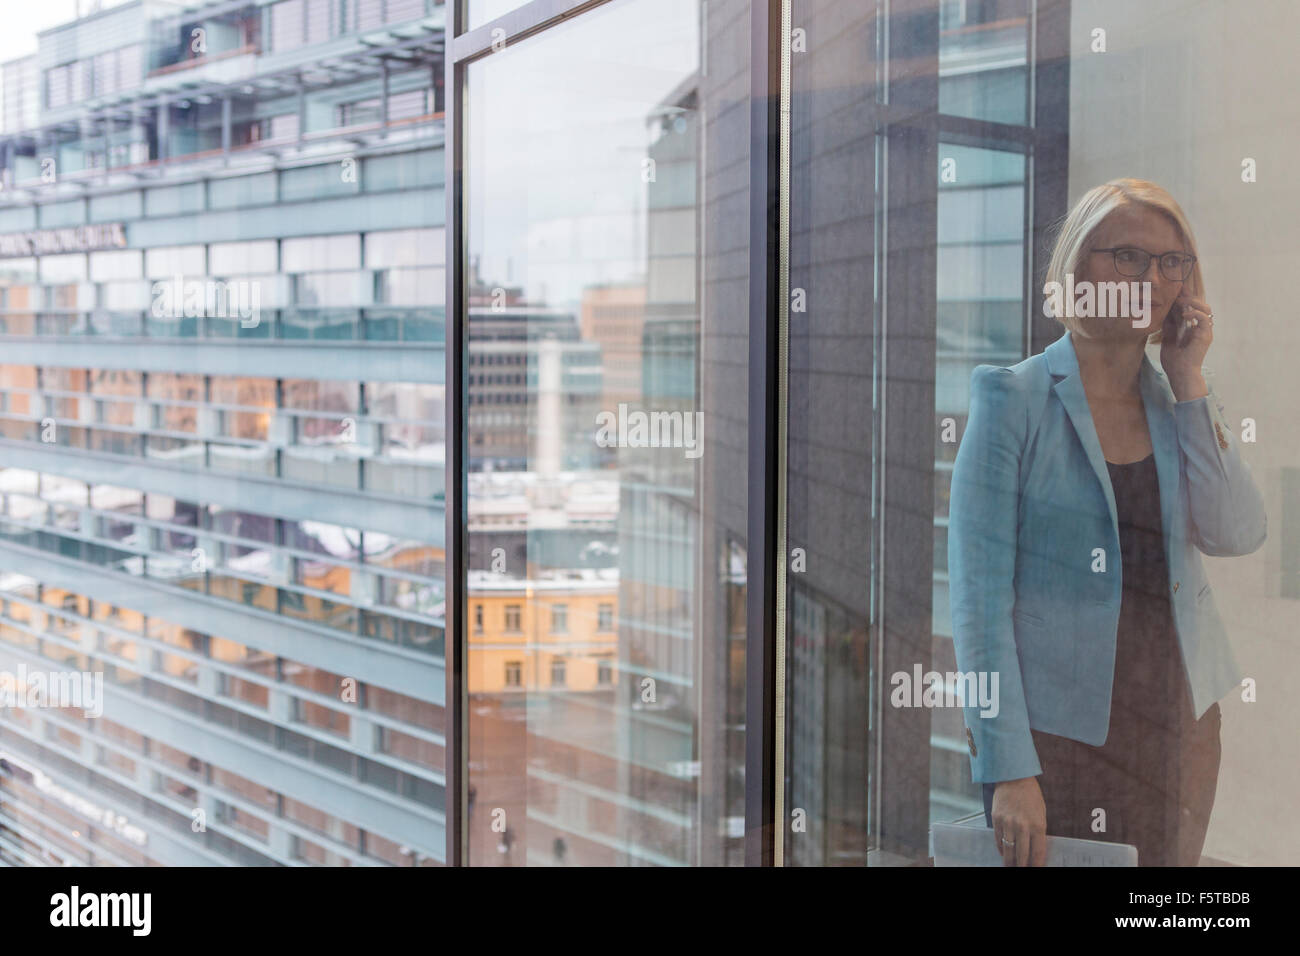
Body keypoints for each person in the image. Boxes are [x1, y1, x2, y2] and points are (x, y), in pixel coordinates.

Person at [948, 178, 1267, 866]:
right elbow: (978, 606)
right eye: (1128, 256)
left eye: (1171, 261)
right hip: (1059, 740)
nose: (1153, 277)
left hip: (1183, 729)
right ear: (1079, 266)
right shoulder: (1012, 399)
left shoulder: (1178, 398)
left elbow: (1237, 531)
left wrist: (1188, 377)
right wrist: (1008, 768)